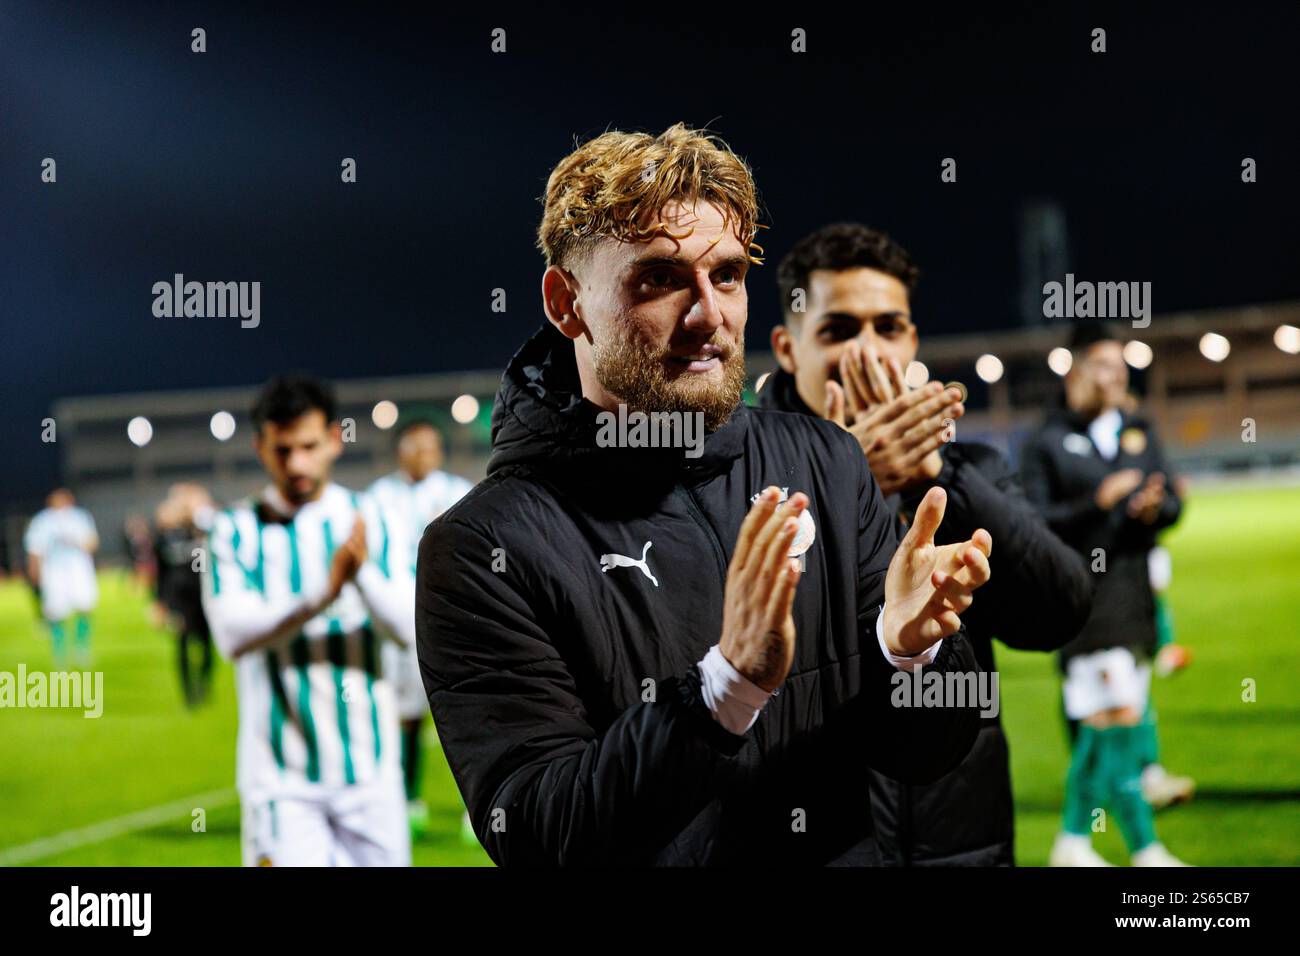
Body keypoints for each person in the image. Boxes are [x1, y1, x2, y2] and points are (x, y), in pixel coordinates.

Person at [416, 123, 995, 866]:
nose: (708, 315)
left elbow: (923, 753)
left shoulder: (824, 460)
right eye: (658, 278)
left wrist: (910, 653)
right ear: (568, 304)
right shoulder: (481, 548)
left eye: (725, 275)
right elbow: (535, 834)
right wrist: (726, 689)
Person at [761, 222, 1091, 865]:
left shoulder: (972, 471)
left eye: (887, 327)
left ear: (911, 340)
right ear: (787, 346)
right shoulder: (746, 477)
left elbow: (1063, 608)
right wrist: (841, 477)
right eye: (837, 330)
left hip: (963, 846)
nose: (867, 351)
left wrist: (937, 474)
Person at [201, 375, 416, 866]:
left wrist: (360, 577)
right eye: (282, 450)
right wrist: (324, 591)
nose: (296, 463)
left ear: (335, 440)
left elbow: (408, 630)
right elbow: (232, 637)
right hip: (281, 782)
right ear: (260, 447)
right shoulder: (234, 529)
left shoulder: (372, 517)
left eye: (308, 446)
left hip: (370, 772)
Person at [1020, 320, 1190, 866]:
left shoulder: (1139, 428)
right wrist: (1099, 501)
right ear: (1075, 369)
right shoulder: (1045, 440)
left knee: (1108, 726)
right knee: (1114, 719)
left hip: (1137, 599)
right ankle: (1145, 851)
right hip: (1084, 602)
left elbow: (1173, 501)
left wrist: (1153, 508)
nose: (1117, 376)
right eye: (1105, 366)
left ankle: (1073, 842)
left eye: (1122, 367)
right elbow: (1033, 522)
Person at [368, 419, 473, 839]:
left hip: (452, 622)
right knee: (405, 717)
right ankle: (407, 798)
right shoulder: (378, 498)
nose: (420, 454)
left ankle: (476, 807)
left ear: (439, 452)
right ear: (399, 451)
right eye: (413, 446)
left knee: (464, 715)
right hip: (400, 624)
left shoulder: (459, 492)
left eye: (428, 446)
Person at [154, 483, 218, 708]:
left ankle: (204, 684)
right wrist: (160, 603)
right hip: (178, 599)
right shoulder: (165, 537)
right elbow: (161, 573)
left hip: (202, 597)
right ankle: (188, 694)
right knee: (181, 644)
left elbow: (206, 565)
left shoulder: (203, 532)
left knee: (207, 644)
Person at [24, 489, 99, 667]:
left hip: (78, 569)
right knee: (56, 612)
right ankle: (59, 654)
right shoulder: (42, 520)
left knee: (85, 606)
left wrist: (77, 542)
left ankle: (82, 649)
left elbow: (92, 542)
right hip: (54, 572)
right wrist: (35, 571)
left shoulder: (80, 517)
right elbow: (35, 548)